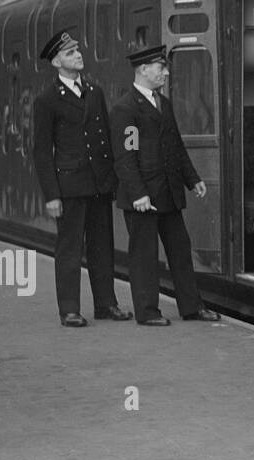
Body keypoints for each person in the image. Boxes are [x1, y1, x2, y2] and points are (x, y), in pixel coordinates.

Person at [109, 45, 220, 326]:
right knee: (144, 256)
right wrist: (138, 194)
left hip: (168, 192)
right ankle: (147, 312)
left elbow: (175, 146)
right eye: (161, 68)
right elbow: (125, 157)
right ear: (143, 70)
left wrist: (192, 179)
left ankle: (192, 307)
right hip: (144, 197)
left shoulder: (164, 104)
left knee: (181, 251)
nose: (166, 73)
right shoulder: (125, 109)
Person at [30, 30, 130, 327]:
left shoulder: (94, 91)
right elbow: (41, 152)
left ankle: (106, 304)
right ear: (57, 62)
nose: (78, 56)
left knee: (102, 246)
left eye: (78, 51)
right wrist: (51, 195)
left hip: (98, 183)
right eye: (71, 53)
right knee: (70, 248)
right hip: (69, 185)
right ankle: (70, 309)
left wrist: (112, 179)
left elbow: (104, 139)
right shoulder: (47, 100)